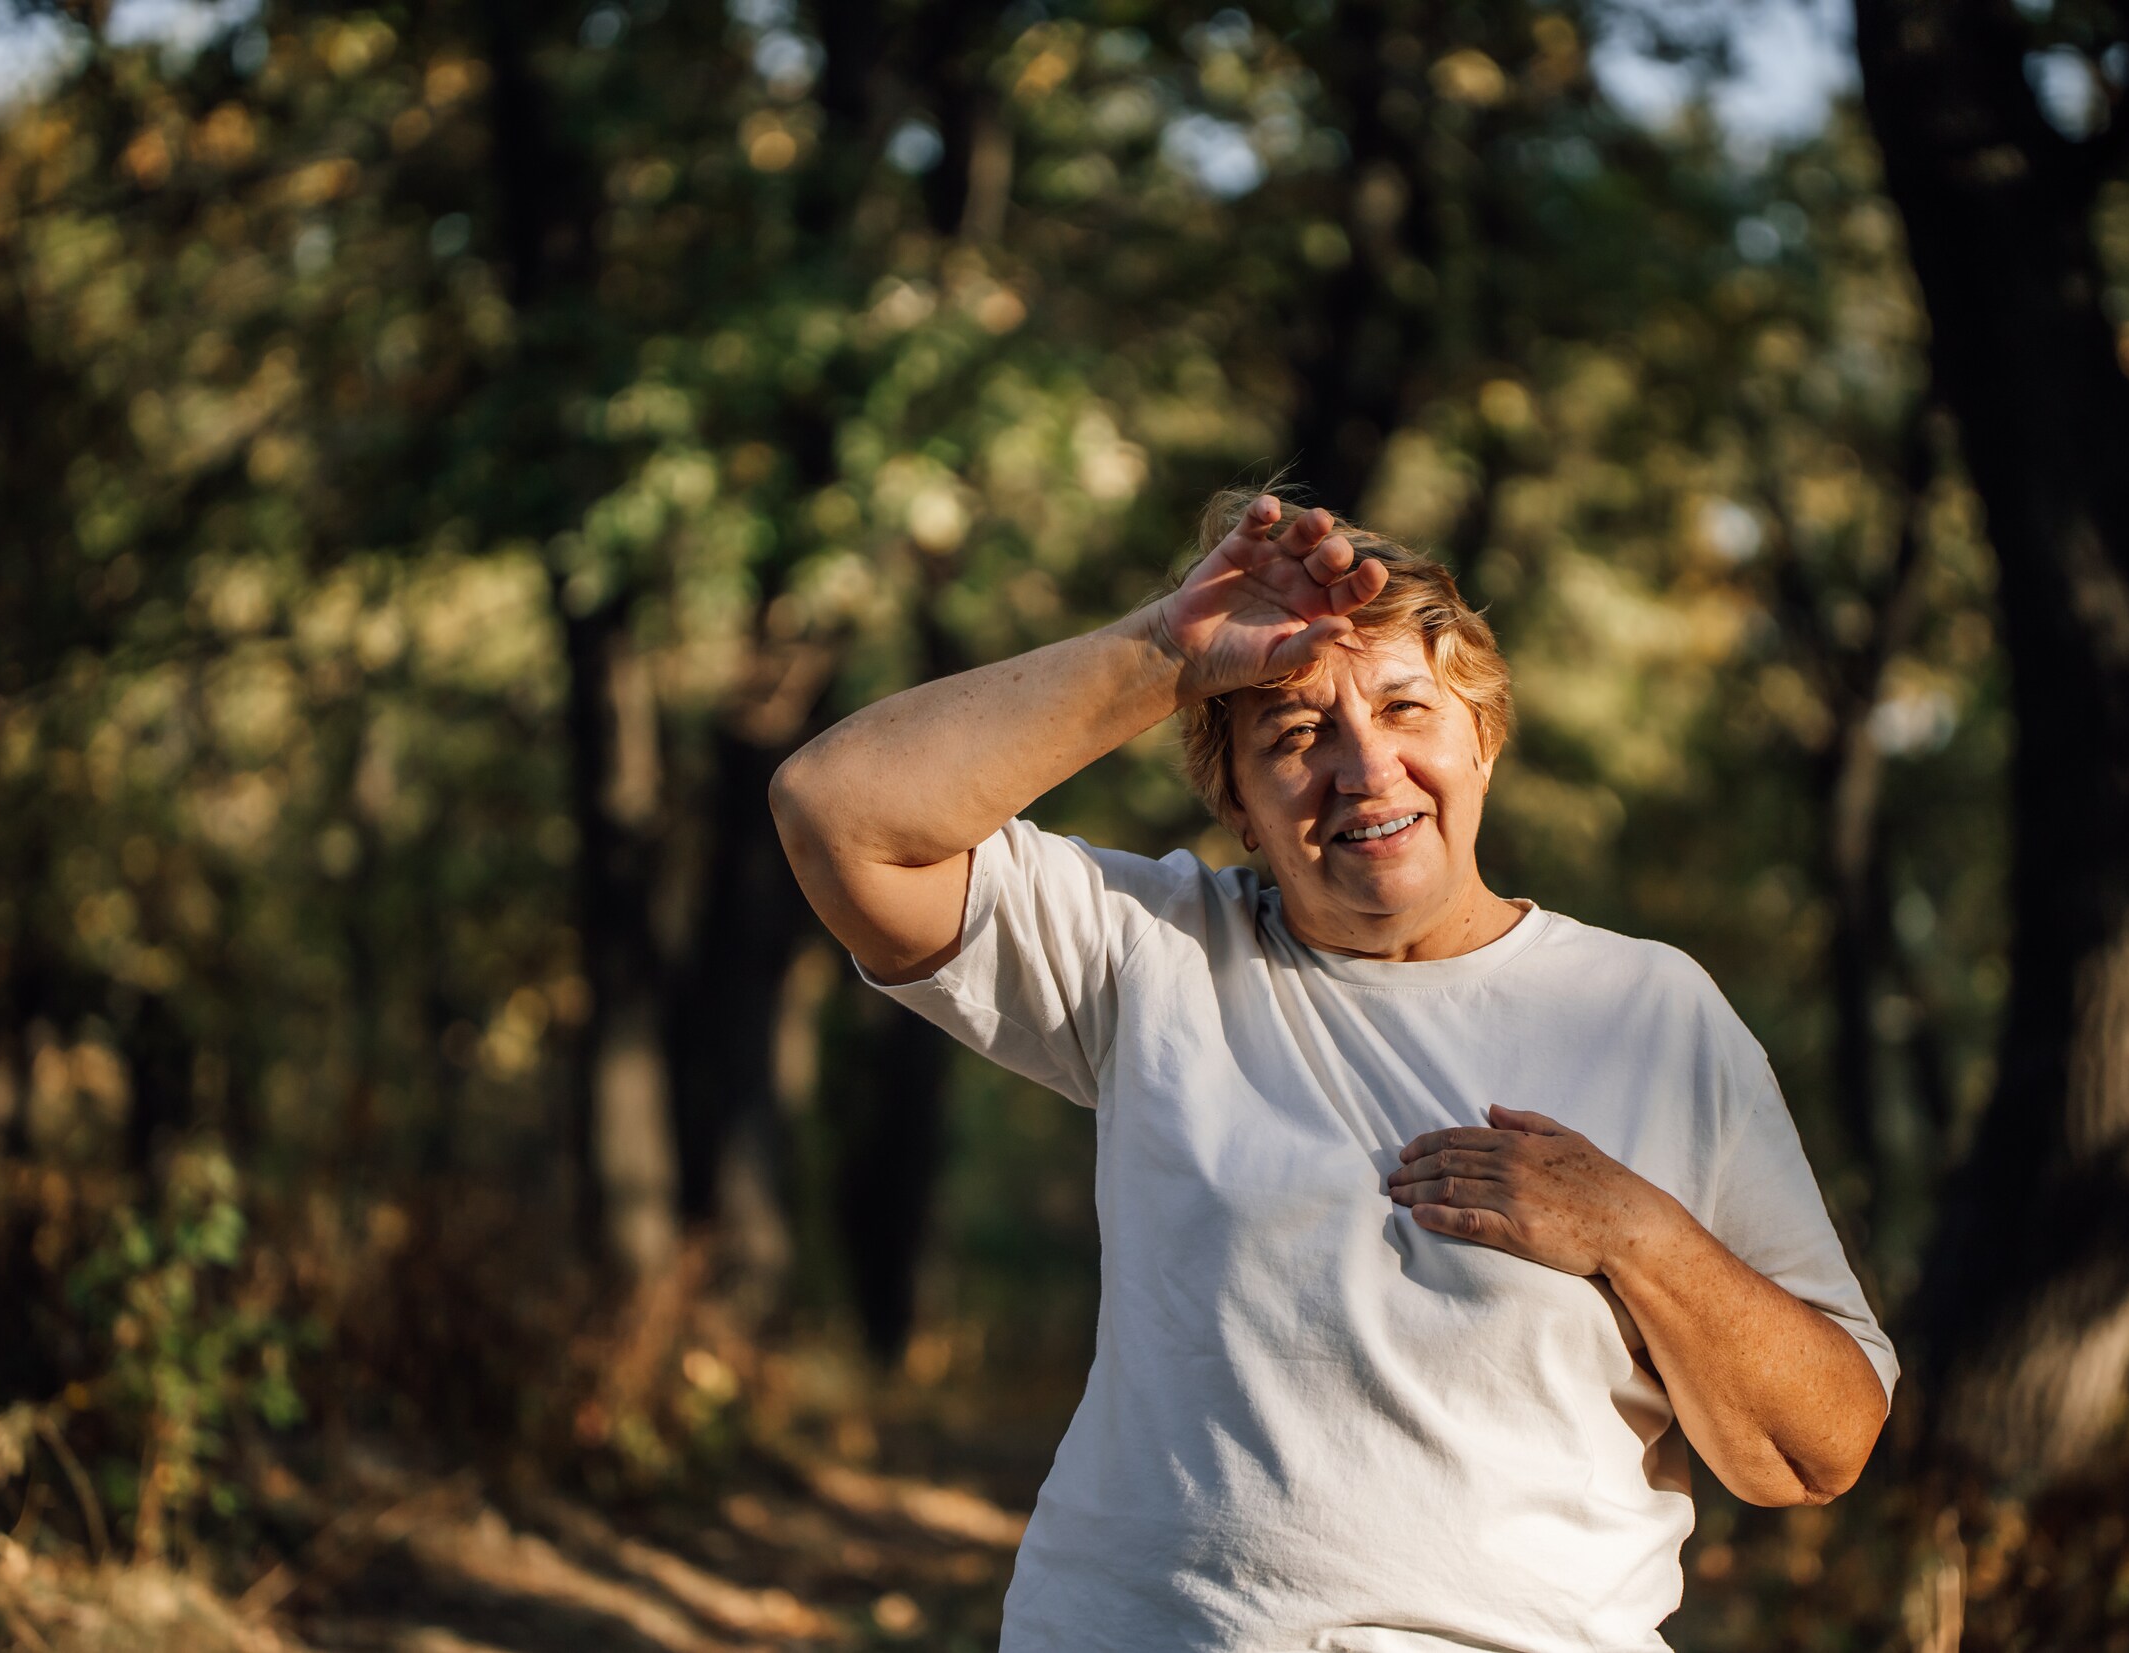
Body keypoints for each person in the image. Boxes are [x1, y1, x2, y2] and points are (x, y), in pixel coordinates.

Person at [769, 489, 1896, 1653]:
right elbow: (835, 814)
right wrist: (1164, 651)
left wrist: (1635, 1234)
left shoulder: (1652, 1013)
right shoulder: (1150, 948)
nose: (1366, 769)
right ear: (1242, 808)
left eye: (1406, 708)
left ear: (1483, 738)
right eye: (1296, 736)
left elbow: (1819, 1450)